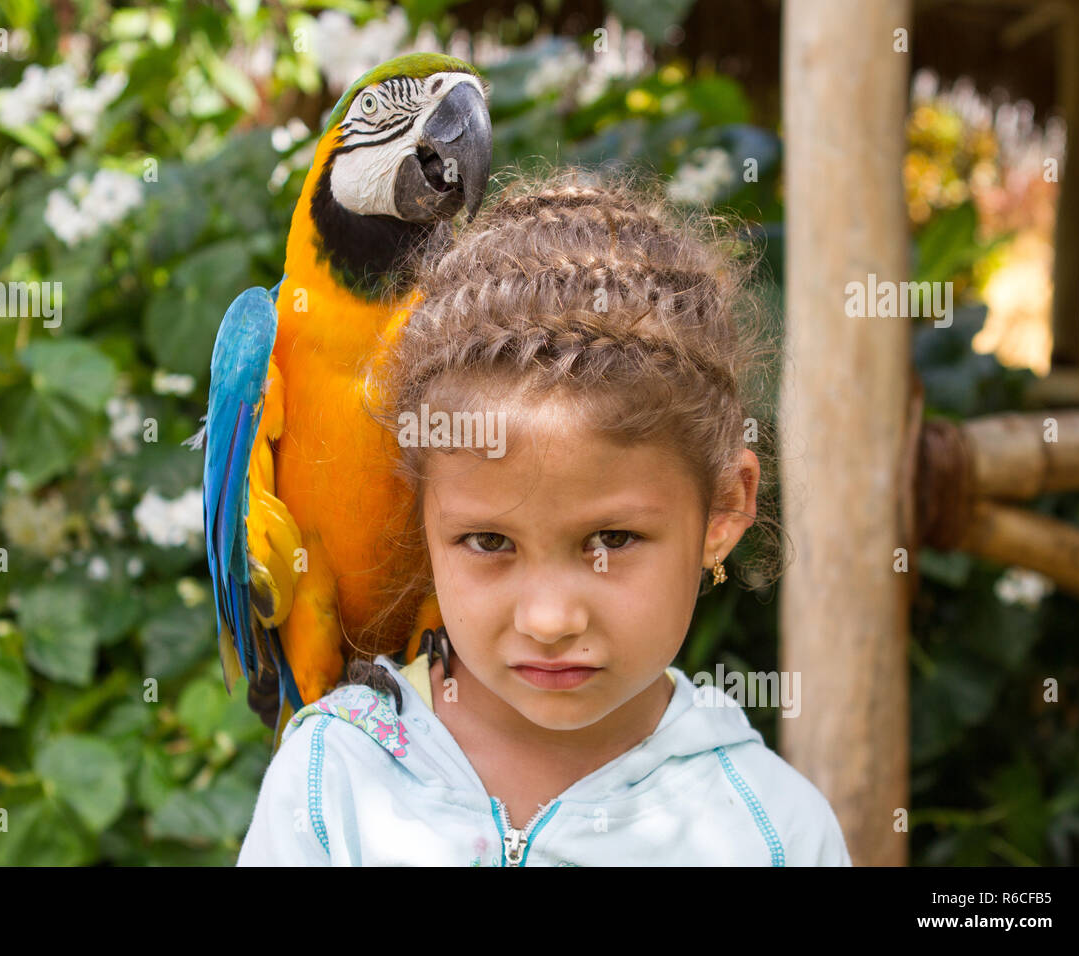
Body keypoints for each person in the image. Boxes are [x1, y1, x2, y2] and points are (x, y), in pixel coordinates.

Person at [236, 168, 852, 866]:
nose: (550, 619)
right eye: (489, 541)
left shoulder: (774, 832)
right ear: (420, 510)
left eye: (611, 540)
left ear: (724, 508)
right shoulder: (328, 787)